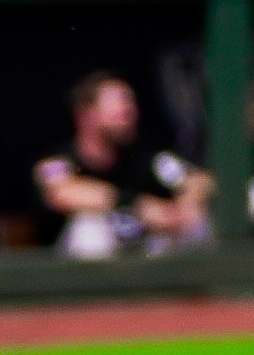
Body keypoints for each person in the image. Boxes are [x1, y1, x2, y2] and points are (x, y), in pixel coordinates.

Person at [34, 71, 214, 257]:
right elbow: (60, 192)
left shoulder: (144, 159)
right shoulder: (59, 160)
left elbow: (198, 179)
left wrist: (187, 203)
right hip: (68, 273)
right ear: (86, 115)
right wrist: (139, 206)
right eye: (117, 104)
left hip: (142, 263)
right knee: (89, 228)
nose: (128, 112)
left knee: (197, 221)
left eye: (129, 104)